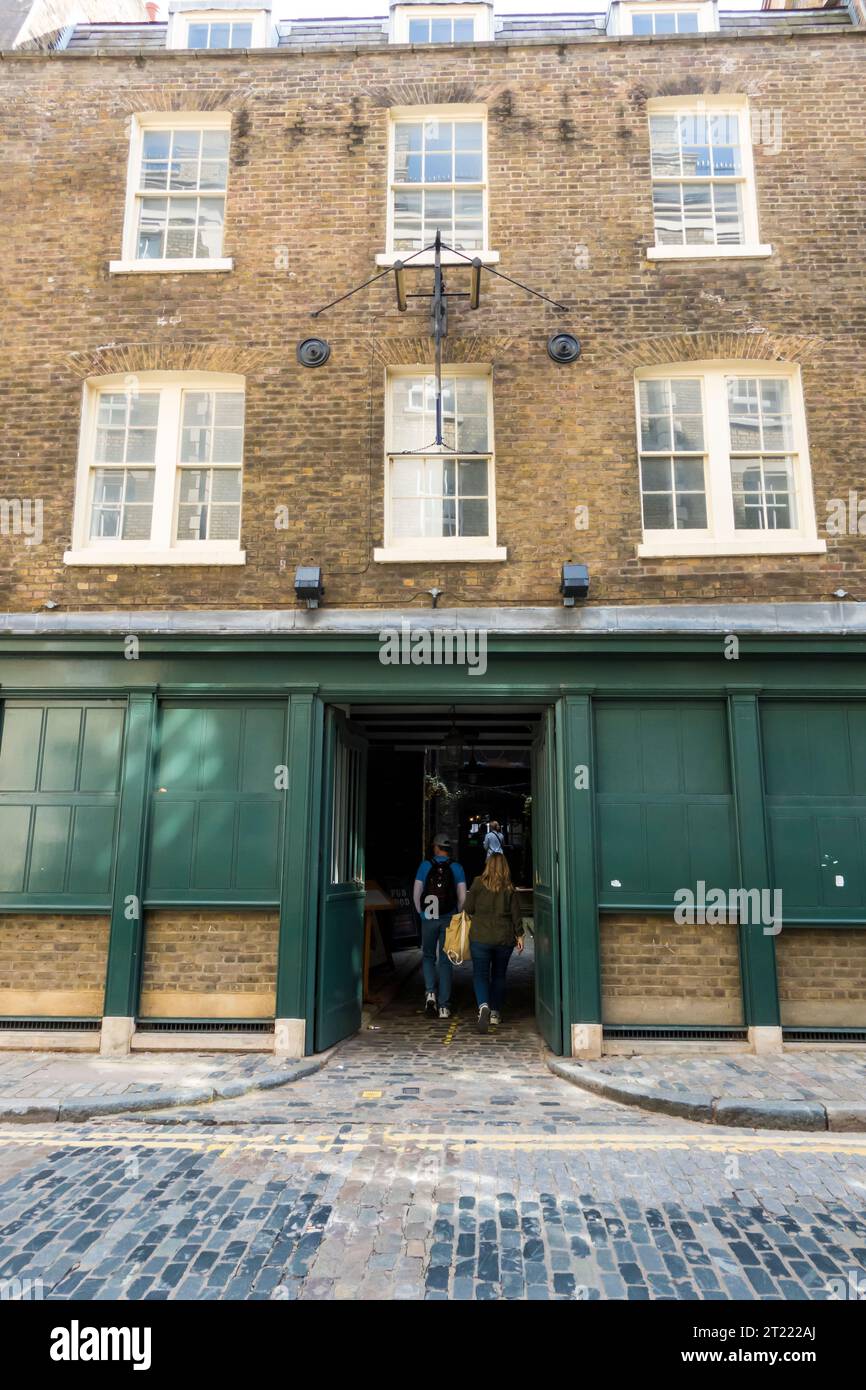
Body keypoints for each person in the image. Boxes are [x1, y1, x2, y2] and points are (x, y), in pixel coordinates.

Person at [464, 850, 524, 1033]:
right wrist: (520, 935)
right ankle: (495, 1012)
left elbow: (468, 908)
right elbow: (516, 914)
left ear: (487, 865)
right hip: (503, 938)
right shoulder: (509, 888)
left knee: (480, 975)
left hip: (480, 937)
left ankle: (483, 1005)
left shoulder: (477, 883)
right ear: (505, 868)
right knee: (499, 976)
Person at [413, 835, 466, 1020]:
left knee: (428, 956)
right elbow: (462, 896)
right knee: (445, 960)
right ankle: (444, 1006)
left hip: (429, 915)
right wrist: (457, 914)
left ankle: (430, 994)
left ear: (436, 847)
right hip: (448, 917)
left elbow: (416, 892)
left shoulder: (425, 866)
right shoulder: (456, 868)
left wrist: (421, 913)